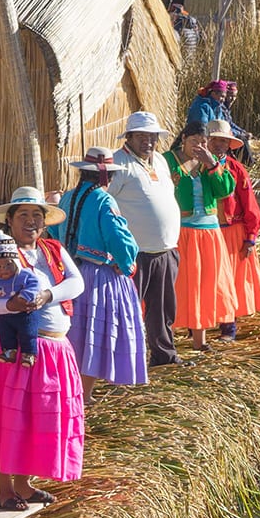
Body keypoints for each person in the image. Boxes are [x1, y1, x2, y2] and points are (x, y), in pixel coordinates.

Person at [0, 187, 85, 511]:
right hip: (13, 346)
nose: (30, 221)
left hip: (52, 348)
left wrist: (46, 296)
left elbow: (76, 282)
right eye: (22, 215)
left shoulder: (52, 249)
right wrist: (13, 303)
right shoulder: (0, 253)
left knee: (32, 417)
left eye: (37, 215)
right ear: (9, 220)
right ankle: (5, 489)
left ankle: (23, 485)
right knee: (8, 413)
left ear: (45, 222)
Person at [58, 146, 146, 398]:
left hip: (70, 273)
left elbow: (54, 231)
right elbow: (117, 237)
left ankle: (72, 391)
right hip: (97, 278)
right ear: (106, 176)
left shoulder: (68, 196)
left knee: (74, 334)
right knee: (91, 338)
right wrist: (127, 262)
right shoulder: (104, 200)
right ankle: (83, 395)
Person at [104, 111, 183, 368]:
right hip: (134, 253)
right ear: (129, 137)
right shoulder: (118, 164)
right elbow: (105, 203)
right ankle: (123, 361)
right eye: (141, 136)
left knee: (162, 309)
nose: (148, 141)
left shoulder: (159, 160)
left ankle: (164, 355)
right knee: (127, 309)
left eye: (152, 136)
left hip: (165, 250)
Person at [167, 120, 237, 353]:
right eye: (194, 141)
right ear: (184, 139)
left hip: (209, 231)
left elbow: (225, 190)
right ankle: (169, 339)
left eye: (203, 142)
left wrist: (212, 165)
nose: (199, 145)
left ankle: (200, 341)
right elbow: (164, 186)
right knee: (180, 284)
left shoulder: (212, 163)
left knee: (205, 285)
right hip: (181, 231)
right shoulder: (168, 160)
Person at [208, 119, 260, 341]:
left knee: (229, 280)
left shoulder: (235, 169)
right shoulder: (194, 167)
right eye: (215, 140)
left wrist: (251, 237)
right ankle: (198, 325)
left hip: (231, 231)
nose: (219, 145)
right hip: (204, 229)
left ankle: (228, 328)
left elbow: (250, 204)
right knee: (204, 277)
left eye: (224, 141)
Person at [0, 232, 48, 367]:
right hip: (4, 315)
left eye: (8, 265)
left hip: (25, 314)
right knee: (5, 333)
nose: (4, 269)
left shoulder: (24, 274)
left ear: (15, 263)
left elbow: (34, 283)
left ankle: (29, 354)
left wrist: (25, 296)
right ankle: (9, 352)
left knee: (28, 333)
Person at [186, 78, 248, 150]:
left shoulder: (218, 108)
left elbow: (224, 124)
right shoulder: (202, 106)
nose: (223, 100)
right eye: (222, 96)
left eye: (224, 97)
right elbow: (202, 128)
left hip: (214, 137)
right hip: (200, 140)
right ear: (213, 93)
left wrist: (237, 133)